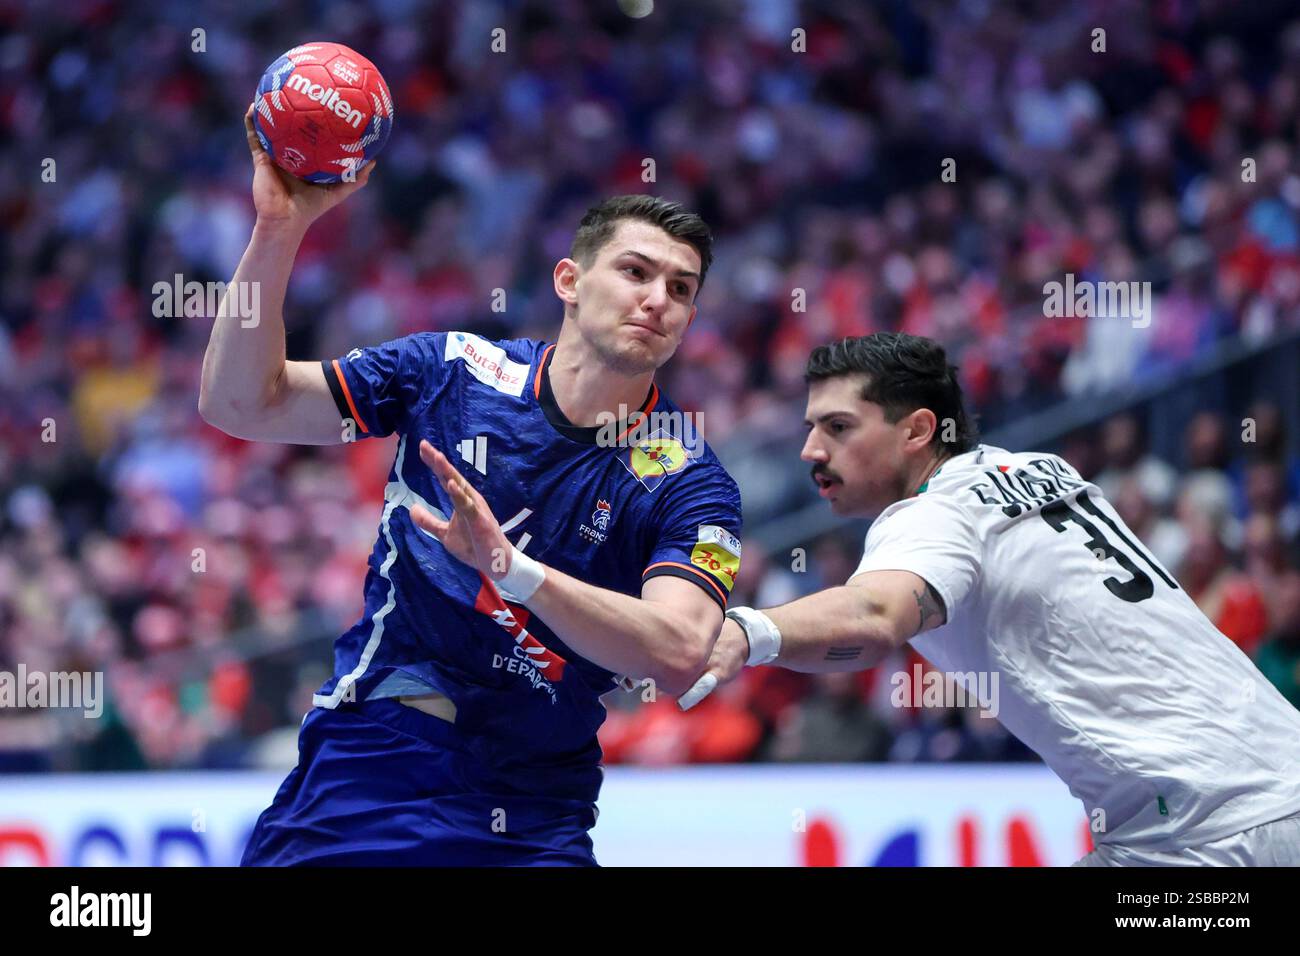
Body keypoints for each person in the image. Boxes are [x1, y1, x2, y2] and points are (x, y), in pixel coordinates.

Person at [201, 107, 742, 865]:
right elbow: (238, 403)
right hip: (373, 764)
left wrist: (514, 573)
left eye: (681, 289)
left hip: (531, 804)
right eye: (636, 271)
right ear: (569, 281)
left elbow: (682, 649)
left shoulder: (690, 479)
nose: (658, 299)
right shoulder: (451, 369)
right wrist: (277, 230)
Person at [679, 332, 1300, 866]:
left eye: (838, 427)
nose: (811, 450)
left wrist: (745, 632)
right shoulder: (1039, 469)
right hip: (1255, 787)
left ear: (919, 430)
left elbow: (873, 617)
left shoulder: (934, 513)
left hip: (1214, 833)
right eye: (811, 427)